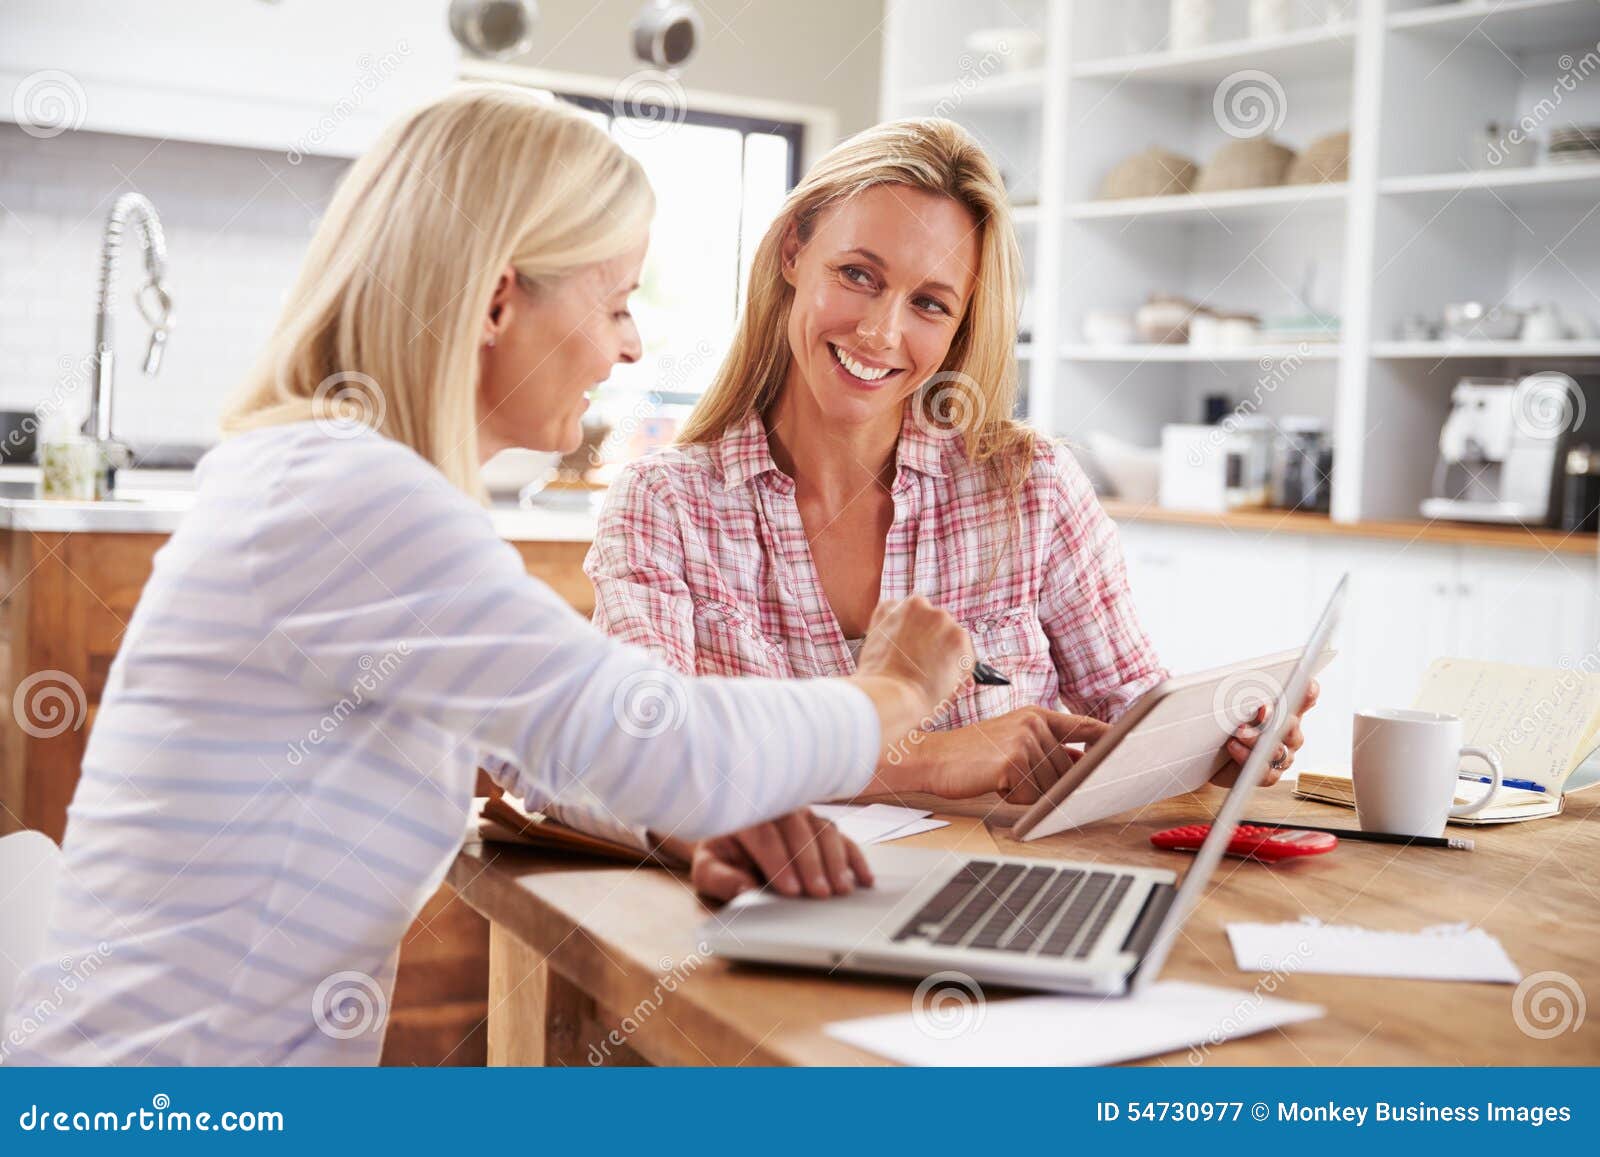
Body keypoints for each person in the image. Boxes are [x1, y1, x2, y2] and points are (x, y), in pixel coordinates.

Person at [0, 88, 977, 1066]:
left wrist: (687, 823)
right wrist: (890, 687)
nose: (630, 343)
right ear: (500, 298)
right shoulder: (349, 497)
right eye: (616, 301)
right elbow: (660, 737)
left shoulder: (338, 477)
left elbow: (555, 749)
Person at [581, 119, 1318, 900]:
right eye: (859, 274)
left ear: (963, 322)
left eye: (929, 303)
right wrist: (931, 757)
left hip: (1003, 917)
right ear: (794, 250)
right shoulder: (664, 504)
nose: (880, 330)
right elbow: (642, 758)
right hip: (756, 925)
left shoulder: (1029, 488)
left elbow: (1135, 716)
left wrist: (1221, 742)